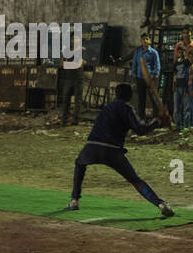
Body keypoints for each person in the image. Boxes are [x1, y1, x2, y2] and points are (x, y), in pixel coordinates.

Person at [65, 82, 174, 218]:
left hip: (93, 146)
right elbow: (141, 129)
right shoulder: (127, 108)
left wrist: (159, 120)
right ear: (129, 96)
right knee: (135, 180)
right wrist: (158, 121)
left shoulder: (107, 107)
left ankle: (74, 200)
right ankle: (161, 204)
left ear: (116, 94)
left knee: (79, 164)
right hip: (112, 151)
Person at [129, 33, 161, 120]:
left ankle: (156, 119)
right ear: (141, 41)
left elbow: (157, 66)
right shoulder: (138, 52)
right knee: (141, 100)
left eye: (147, 39)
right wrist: (135, 75)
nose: (145, 41)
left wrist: (154, 76)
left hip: (150, 79)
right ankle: (141, 119)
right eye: (143, 39)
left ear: (150, 41)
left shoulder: (154, 53)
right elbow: (134, 64)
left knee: (154, 99)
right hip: (140, 79)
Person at [172, 43, 190, 131]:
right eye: (179, 52)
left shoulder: (187, 62)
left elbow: (189, 74)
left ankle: (185, 126)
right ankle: (178, 126)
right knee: (176, 108)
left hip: (185, 87)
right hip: (177, 87)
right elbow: (174, 75)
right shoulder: (176, 62)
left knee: (186, 108)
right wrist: (173, 85)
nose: (181, 54)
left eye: (182, 52)